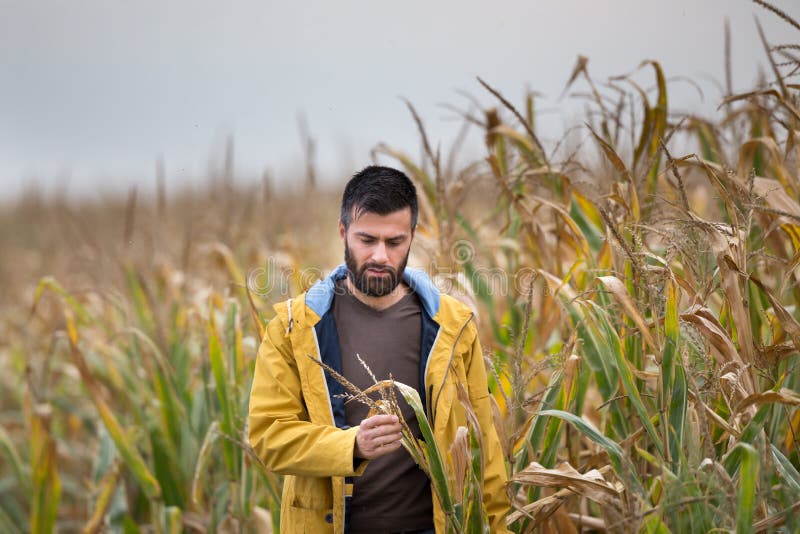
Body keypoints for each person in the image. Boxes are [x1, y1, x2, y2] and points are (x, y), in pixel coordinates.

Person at [248, 165, 510, 533]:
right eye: (367, 240)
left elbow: (485, 445)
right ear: (343, 233)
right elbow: (268, 436)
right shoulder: (294, 328)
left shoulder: (453, 326)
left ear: (412, 237)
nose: (380, 256)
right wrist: (351, 445)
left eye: (394, 242)